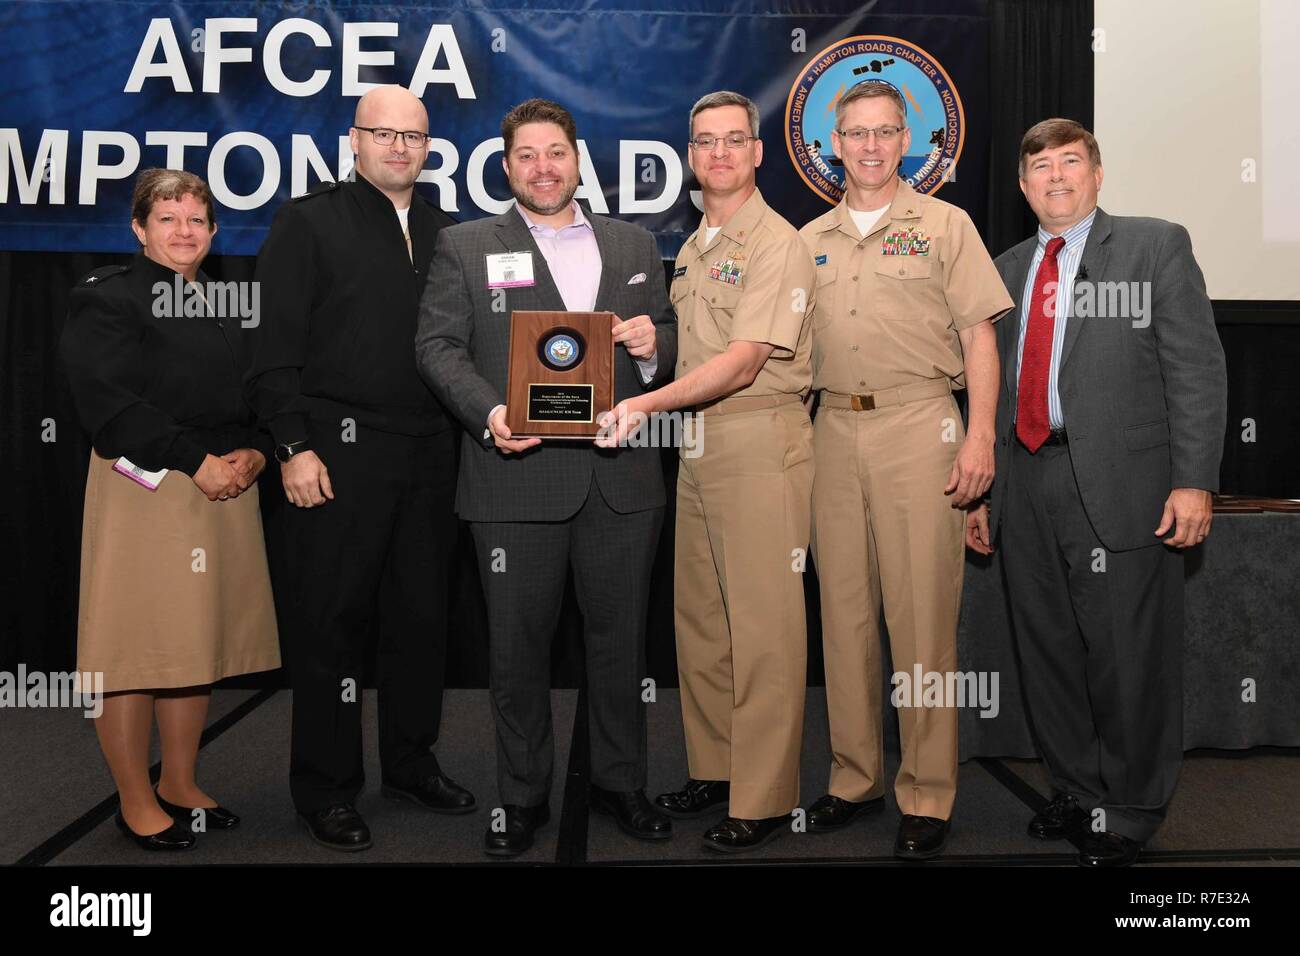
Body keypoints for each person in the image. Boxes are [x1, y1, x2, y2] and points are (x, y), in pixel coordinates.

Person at [415, 98, 677, 858]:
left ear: (577, 159)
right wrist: (489, 413)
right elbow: (436, 347)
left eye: (555, 151)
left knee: (621, 646)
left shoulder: (634, 242)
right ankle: (522, 796)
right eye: (526, 154)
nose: (542, 166)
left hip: (621, 482)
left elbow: (666, 332)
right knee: (515, 651)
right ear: (507, 167)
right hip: (512, 481)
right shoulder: (464, 246)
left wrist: (651, 344)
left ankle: (620, 783)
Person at [966, 118, 1227, 866]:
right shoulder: (1005, 268)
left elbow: (1198, 372)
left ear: (1097, 173)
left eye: (1070, 163)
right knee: (1047, 654)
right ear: (1022, 186)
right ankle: (1078, 794)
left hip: (1126, 486)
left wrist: (1193, 482)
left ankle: (1135, 809)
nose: (1055, 178)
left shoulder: (1154, 245)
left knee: (1129, 659)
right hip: (1026, 479)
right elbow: (991, 386)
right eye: (1040, 168)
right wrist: (984, 491)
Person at [246, 85, 472, 852]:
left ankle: (411, 761)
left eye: (413, 135)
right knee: (330, 626)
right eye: (384, 133)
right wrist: (291, 447)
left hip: (435, 453)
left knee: (421, 619)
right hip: (335, 456)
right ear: (354, 140)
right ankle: (325, 788)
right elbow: (272, 349)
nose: (399, 146)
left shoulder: (455, 229)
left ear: (430, 147)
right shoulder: (308, 223)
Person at [795, 80, 1012, 860]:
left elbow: (981, 341)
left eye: (887, 132)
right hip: (831, 433)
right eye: (857, 133)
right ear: (834, 145)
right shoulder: (808, 236)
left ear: (908, 139)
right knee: (844, 620)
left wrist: (979, 437)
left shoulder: (946, 226)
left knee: (921, 621)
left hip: (923, 424)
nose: (872, 146)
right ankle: (855, 779)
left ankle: (926, 792)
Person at [599, 90, 816, 854]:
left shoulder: (776, 242)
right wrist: (646, 354)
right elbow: (691, 352)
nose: (719, 153)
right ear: (691, 157)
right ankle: (717, 768)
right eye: (704, 142)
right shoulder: (697, 245)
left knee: (763, 627)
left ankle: (761, 796)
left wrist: (648, 401)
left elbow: (744, 360)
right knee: (702, 624)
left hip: (758, 439)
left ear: (758, 153)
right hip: (696, 446)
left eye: (734, 140)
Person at [60, 168, 281, 850]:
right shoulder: (109, 298)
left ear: (214, 232)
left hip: (225, 490)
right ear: (139, 228)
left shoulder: (228, 302)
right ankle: (134, 799)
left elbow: (259, 391)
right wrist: (197, 462)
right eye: (168, 218)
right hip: (149, 489)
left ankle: (179, 782)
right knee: (134, 650)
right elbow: (109, 404)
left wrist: (257, 452)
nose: (184, 230)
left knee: (193, 645)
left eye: (196, 219)